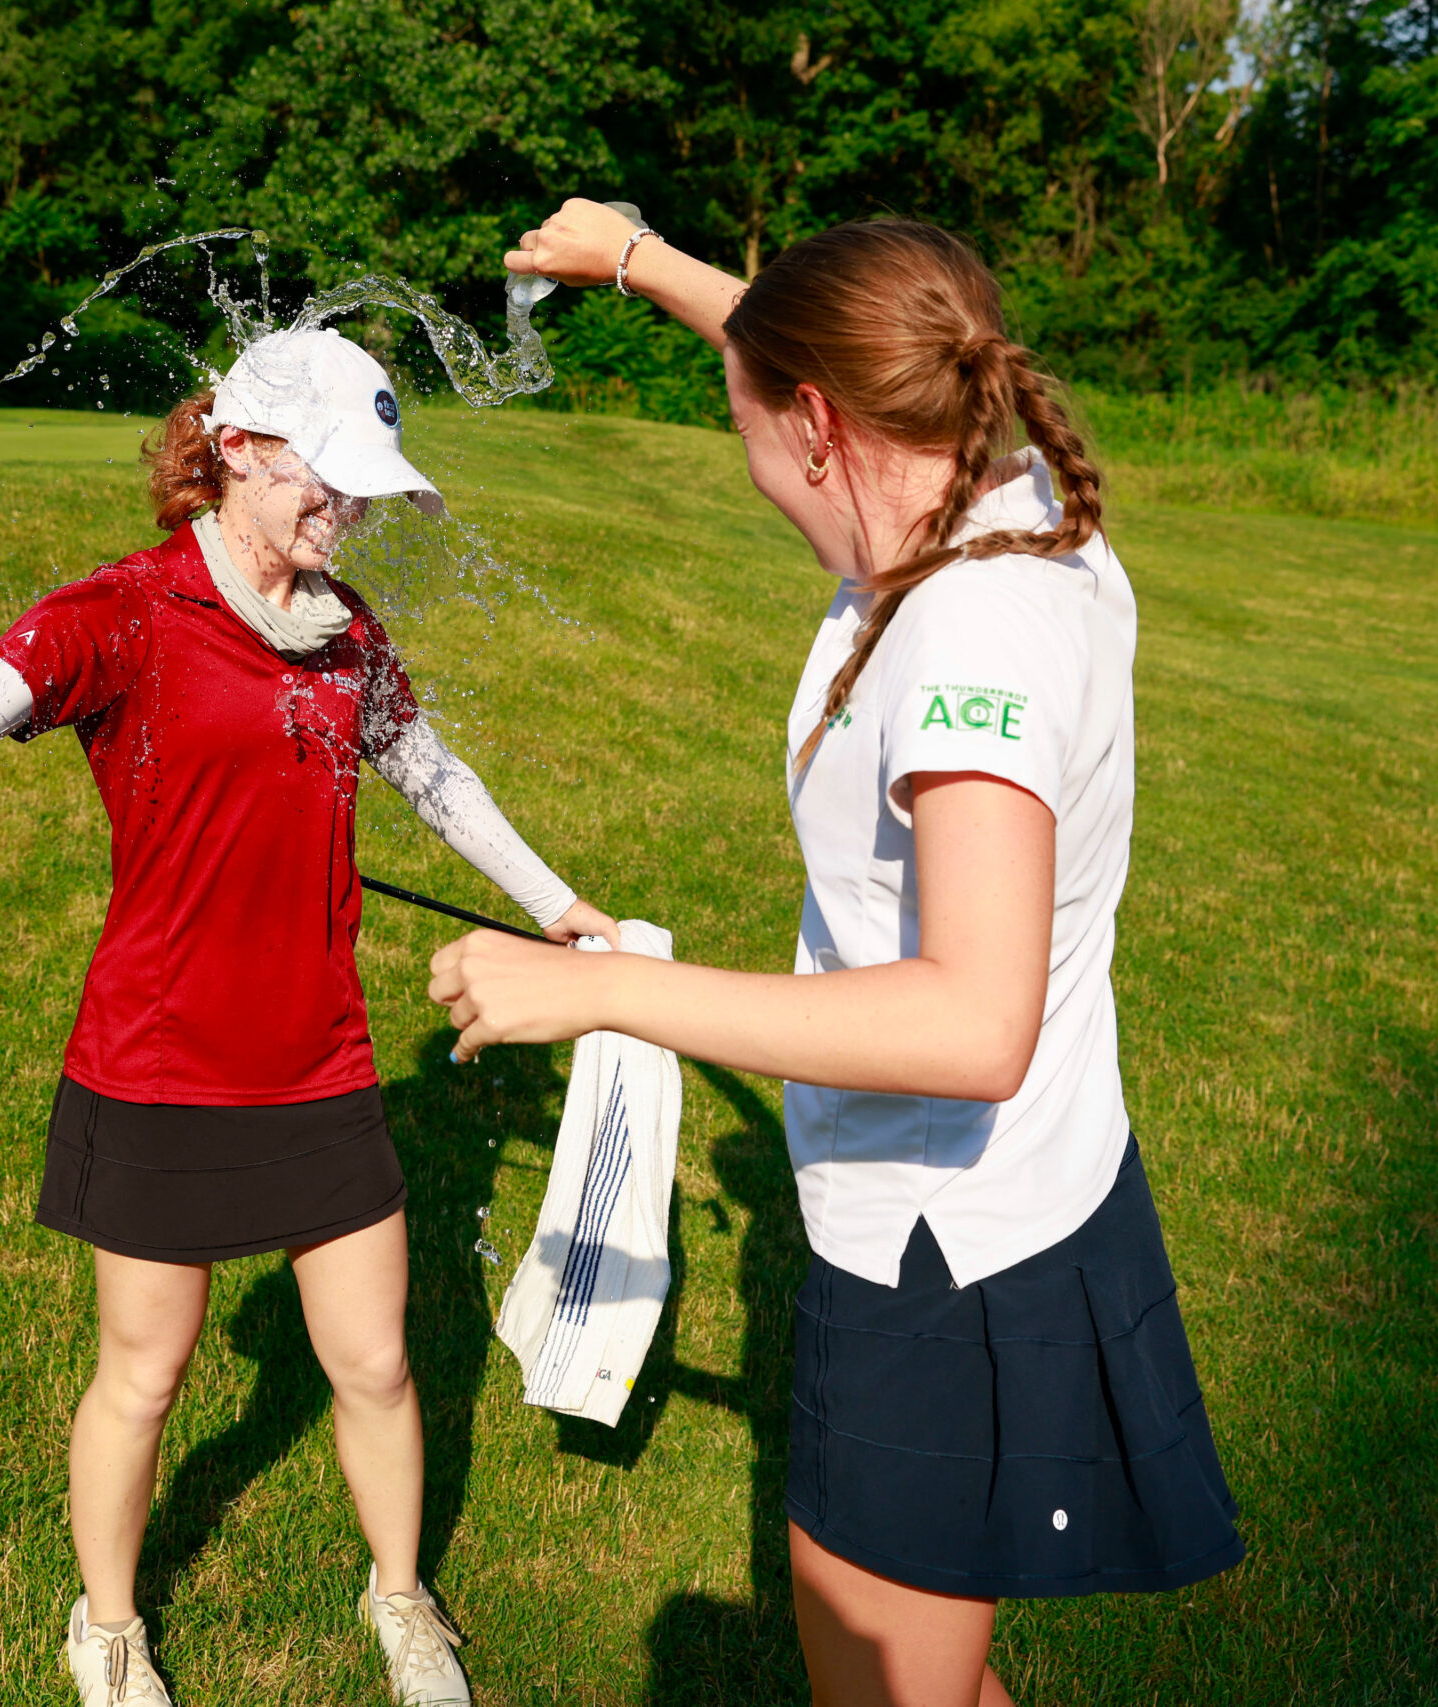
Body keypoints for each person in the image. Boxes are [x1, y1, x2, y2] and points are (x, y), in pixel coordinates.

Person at [0, 327, 618, 1707]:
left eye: (361, 488)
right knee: (145, 1374)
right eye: (326, 478)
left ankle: (400, 1597)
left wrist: (557, 903)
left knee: (377, 1362)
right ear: (240, 451)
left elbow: (430, 772)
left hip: (322, 1057)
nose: (346, 511)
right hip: (161, 1066)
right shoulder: (126, 613)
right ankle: (105, 1627)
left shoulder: (345, 633)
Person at [432, 204, 1242, 1706]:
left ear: (818, 425)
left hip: (945, 1248)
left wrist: (603, 991)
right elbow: (835, 356)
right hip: (1017, 1196)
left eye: (752, 433)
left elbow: (973, 1025)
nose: (754, 473)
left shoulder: (971, 635)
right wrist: (641, 264)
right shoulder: (1007, 490)